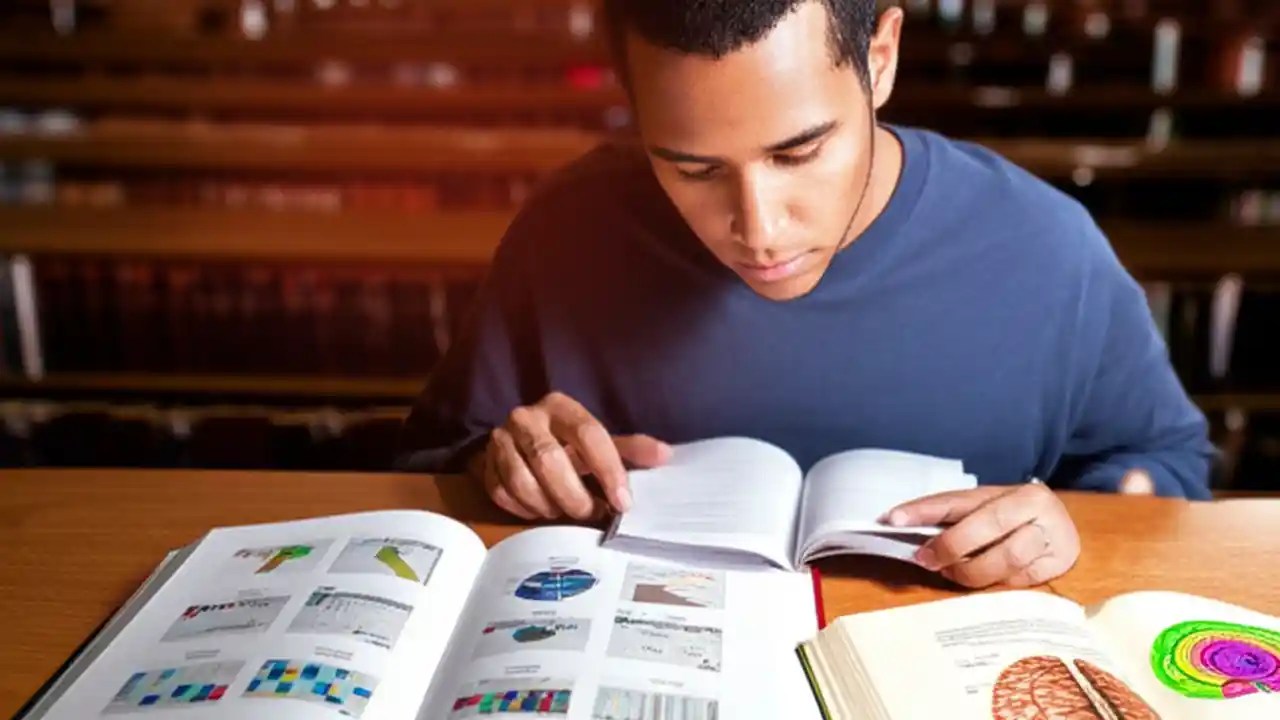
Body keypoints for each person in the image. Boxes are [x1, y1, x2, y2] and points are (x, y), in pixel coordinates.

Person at [396, 0, 1216, 589]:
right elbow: (437, 454)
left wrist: (1076, 519)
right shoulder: (564, 230)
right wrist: (501, 460)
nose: (758, 229)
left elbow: (1169, 467)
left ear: (881, 56)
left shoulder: (1047, 246)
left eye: (801, 152)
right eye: (692, 167)